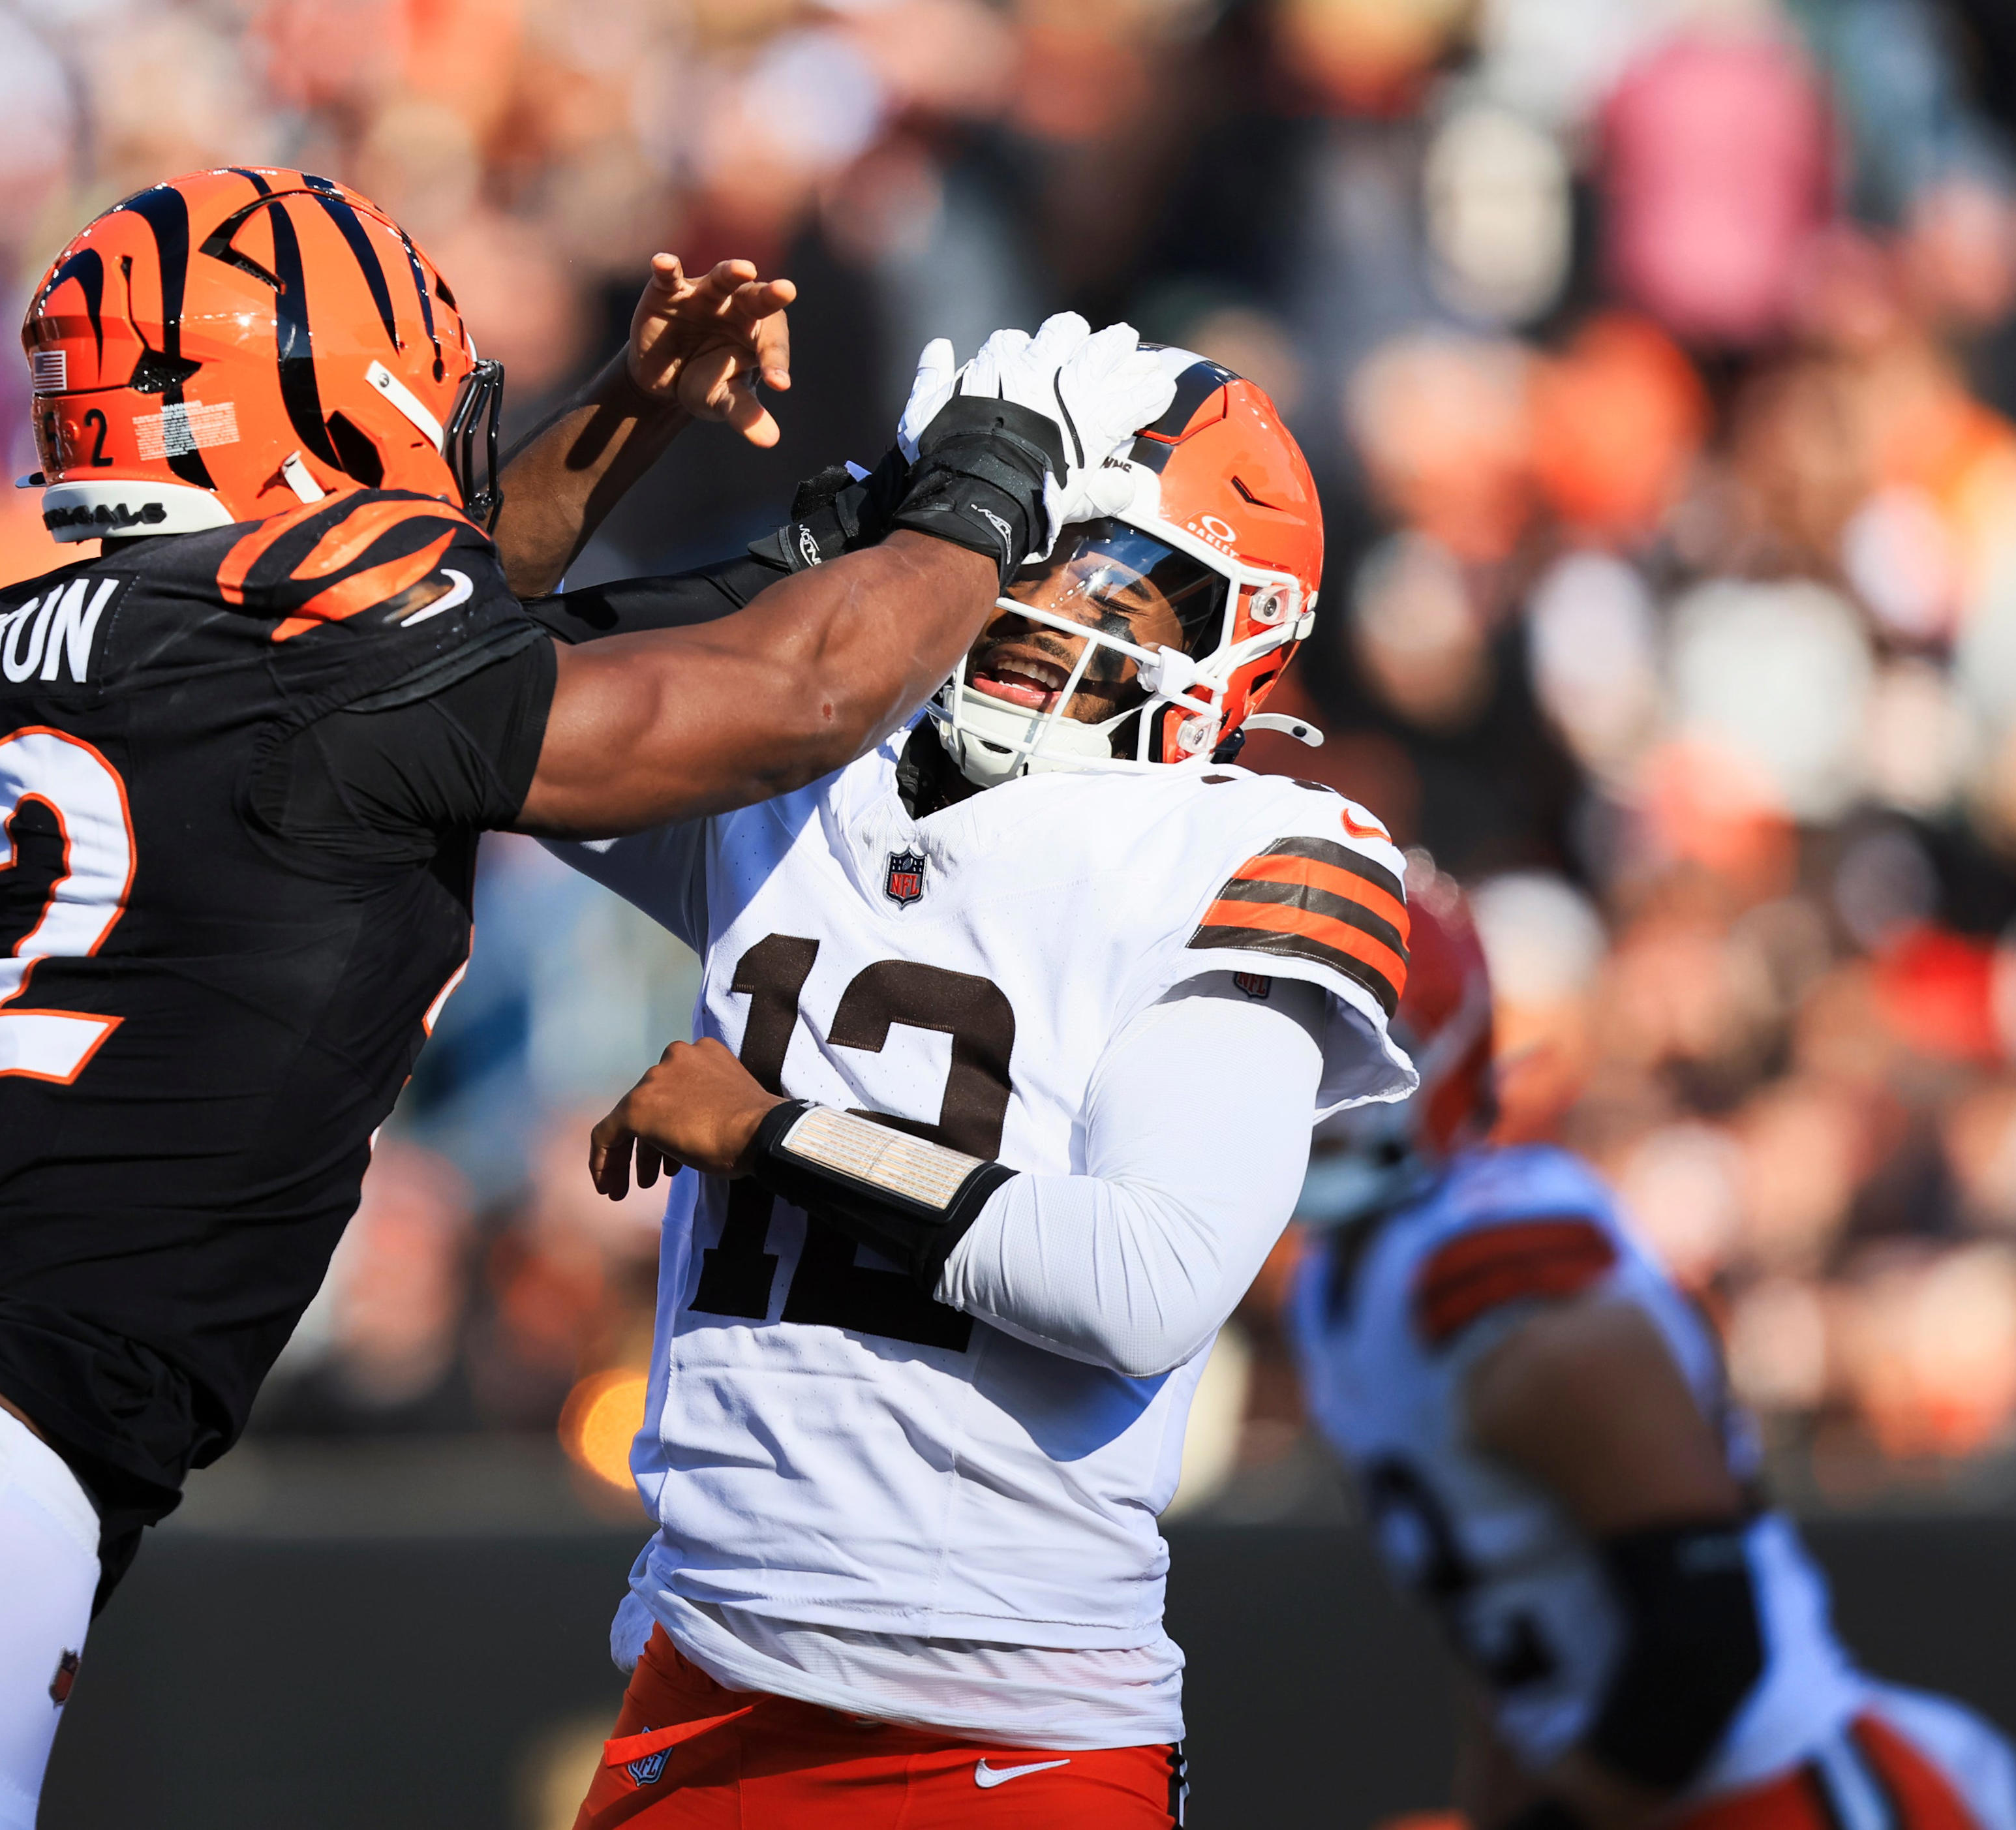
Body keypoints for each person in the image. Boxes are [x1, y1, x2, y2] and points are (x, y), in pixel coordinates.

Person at [0, 165, 1166, 1827]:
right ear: (319, 388)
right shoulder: (295, 663)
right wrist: (991, 485)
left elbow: (445, 625)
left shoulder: (40, 631)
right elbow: (797, 693)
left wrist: (632, 412)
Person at [558, 345, 1411, 1825]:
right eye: (1030, 547)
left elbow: (1144, 1281)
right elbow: (473, 696)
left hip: (1002, 1727)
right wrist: (841, 538)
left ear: (1237, 638)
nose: (1041, 605)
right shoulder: (809, 764)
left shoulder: (1238, 846)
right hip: (702, 1672)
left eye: (1123, 576)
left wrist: (774, 1134)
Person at [1283, 867, 2016, 1830]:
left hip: (1780, 1796)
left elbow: (1706, 1638)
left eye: (1330, 1046)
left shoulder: (1495, 1271)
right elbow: (1511, 1643)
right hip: (1636, 1788)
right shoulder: (1333, 1289)